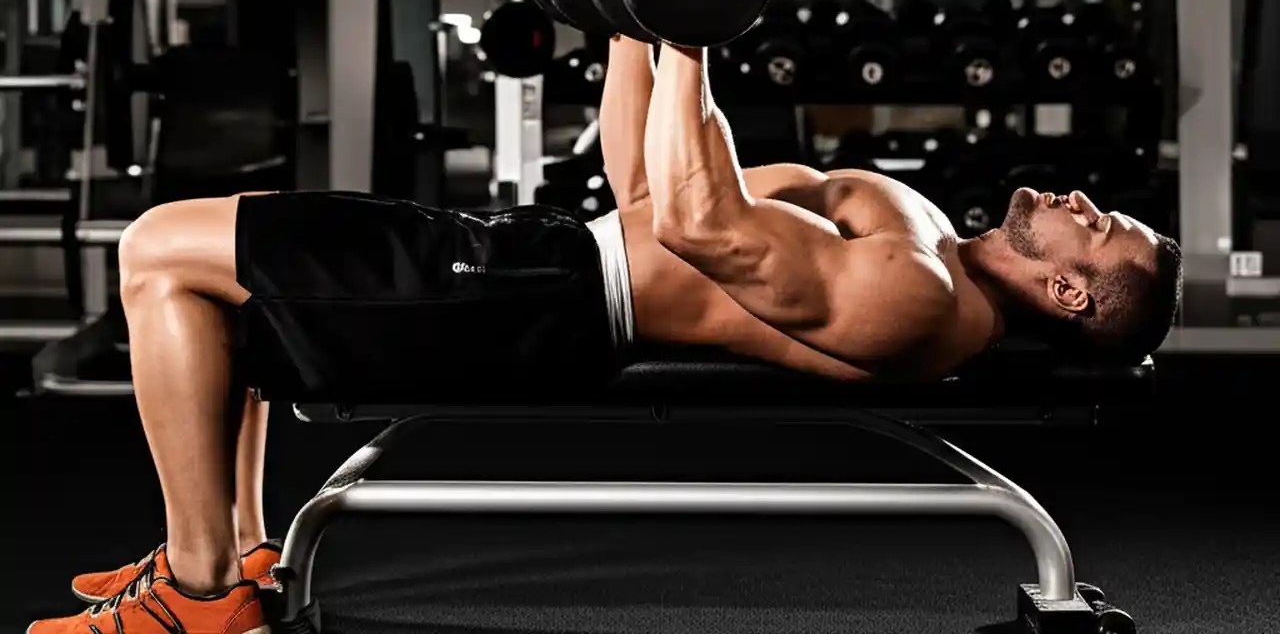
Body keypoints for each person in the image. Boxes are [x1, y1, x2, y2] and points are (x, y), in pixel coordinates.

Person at [27, 36, 1182, 634]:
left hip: (526, 304)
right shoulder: (921, 232)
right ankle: (238, 558)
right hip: (528, 260)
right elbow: (647, 187)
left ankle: (196, 587)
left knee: (159, 250)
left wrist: (687, 33)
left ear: (1073, 298)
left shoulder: (926, 306)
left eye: (1103, 232)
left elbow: (691, 220)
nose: (1083, 204)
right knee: (212, 287)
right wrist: (639, 31)